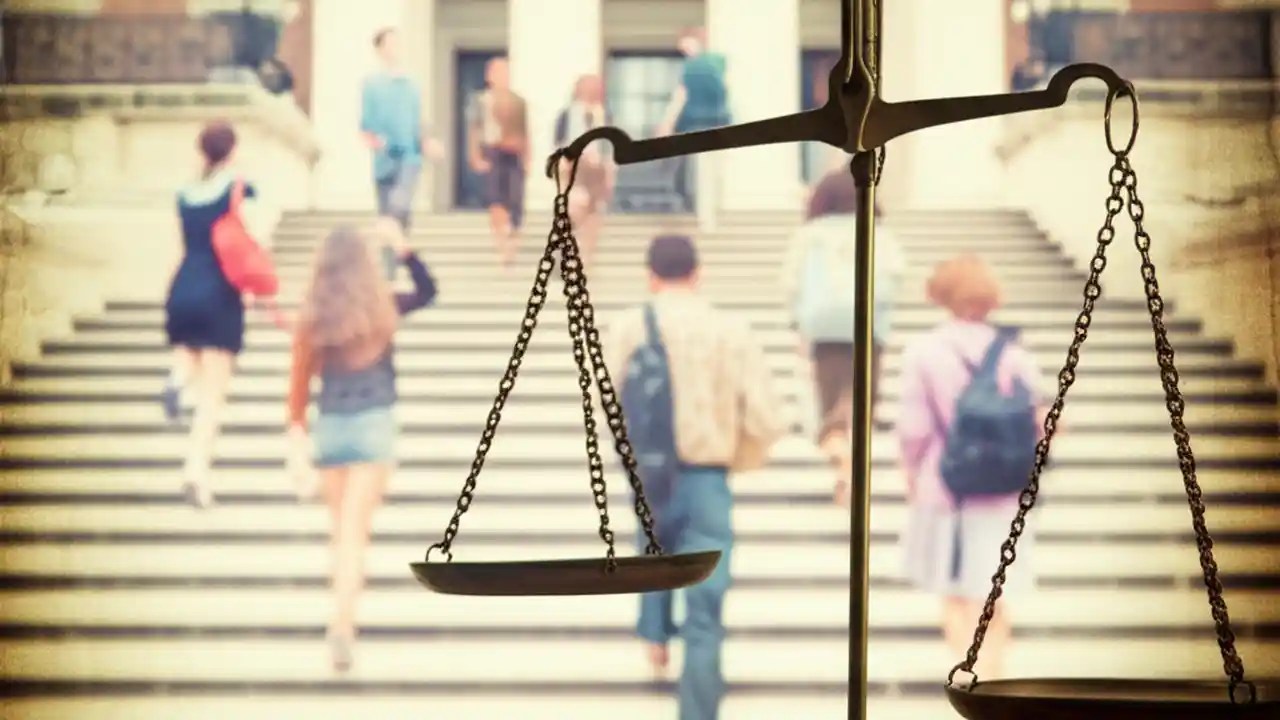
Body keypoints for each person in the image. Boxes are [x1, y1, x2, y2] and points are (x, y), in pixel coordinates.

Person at [605, 234, 787, 720]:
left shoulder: (628, 326)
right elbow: (767, 416)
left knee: (652, 550)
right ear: (698, 274)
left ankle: (655, 634)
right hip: (707, 477)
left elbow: (607, 402)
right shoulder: (729, 329)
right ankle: (698, 711)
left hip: (650, 474)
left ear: (650, 276)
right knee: (706, 605)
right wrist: (738, 454)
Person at [285, 223, 438, 673]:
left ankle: (341, 620)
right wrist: (402, 246)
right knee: (356, 533)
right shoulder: (381, 306)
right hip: (374, 426)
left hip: (331, 427)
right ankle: (343, 625)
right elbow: (428, 291)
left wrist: (296, 437)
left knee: (341, 534)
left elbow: (298, 386)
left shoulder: (314, 315)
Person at [895, 254, 1048, 680]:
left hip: (947, 488)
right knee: (994, 597)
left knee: (955, 595)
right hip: (1003, 492)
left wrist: (910, 472)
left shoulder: (925, 351)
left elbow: (914, 428)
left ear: (941, 296)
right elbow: (1044, 421)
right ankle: (993, 676)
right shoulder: (1013, 353)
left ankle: (968, 679)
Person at [780, 167, 905, 507]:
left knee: (831, 407)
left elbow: (790, 283)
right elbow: (896, 276)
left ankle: (841, 464)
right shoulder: (878, 232)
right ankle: (852, 469)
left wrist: (798, 325)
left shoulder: (809, 234)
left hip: (823, 327)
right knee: (861, 404)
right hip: (868, 326)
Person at [162, 120, 263, 510]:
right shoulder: (238, 188)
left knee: (188, 357)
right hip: (221, 291)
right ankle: (195, 473)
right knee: (212, 397)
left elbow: (181, 245)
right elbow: (253, 235)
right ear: (232, 150)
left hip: (184, 285)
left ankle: (176, 380)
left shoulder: (184, 193)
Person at [361, 27, 443, 235]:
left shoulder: (411, 84)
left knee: (398, 205)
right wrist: (375, 142)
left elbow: (418, 120)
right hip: (383, 160)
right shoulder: (371, 85)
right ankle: (395, 253)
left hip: (409, 157)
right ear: (379, 49)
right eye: (389, 44)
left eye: (396, 43)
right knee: (389, 216)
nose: (394, 49)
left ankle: (397, 241)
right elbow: (366, 125)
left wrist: (428, 142)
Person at [655, 27, 731, 231]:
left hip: (700, 124)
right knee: (715, 171)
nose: (683, 50)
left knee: (705, 173)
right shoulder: (719, 62)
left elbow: (680, 97)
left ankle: (707, 218)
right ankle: (713, 214)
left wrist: (666, 124)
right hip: (720, 124)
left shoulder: (693, 68)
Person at [466, 56, 529, 269]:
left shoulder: (518, 102)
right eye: (498, 72)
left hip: (513, 153)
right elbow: (474, 129)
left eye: (506, 72)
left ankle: (513, 241)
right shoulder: (481, 101)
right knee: (495, 200)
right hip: (491, 151)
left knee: (515, 200)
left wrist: (527, 158)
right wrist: (475, 156)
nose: (503, 77)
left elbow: (525, 132)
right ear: (489, 76)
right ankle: (502, 246)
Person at [554, 74, 616, 269]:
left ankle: (587, 255)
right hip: (575, 168)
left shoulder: (604, 114)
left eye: (597, 87)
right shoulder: (567, 114)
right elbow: (558, 144)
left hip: (598, 168)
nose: (595, 91)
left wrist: (610, 173)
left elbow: (611, 146)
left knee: (595, 213)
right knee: (576, 209)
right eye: (590, 86)